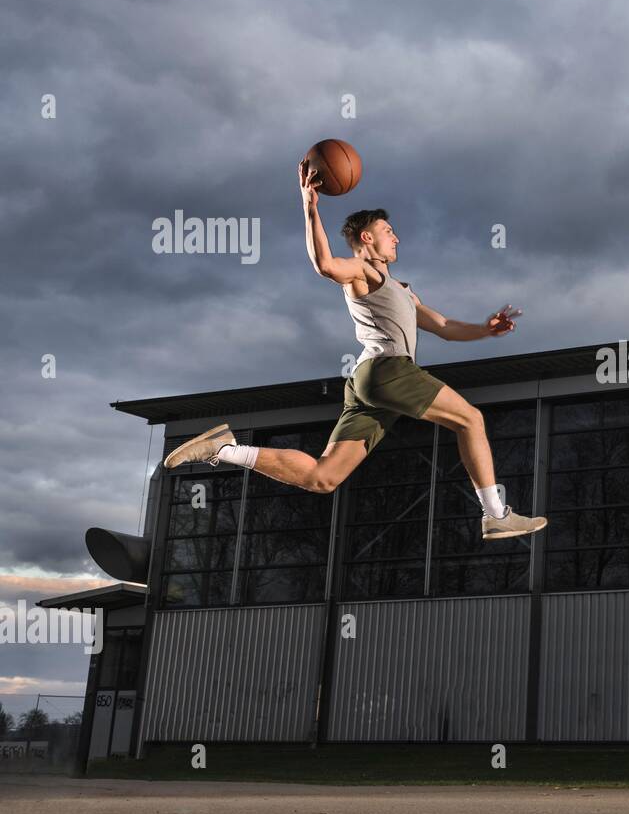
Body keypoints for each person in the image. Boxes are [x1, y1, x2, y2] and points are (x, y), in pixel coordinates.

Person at [162, 160, 547, 542]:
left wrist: (485, 329)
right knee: (471, 420)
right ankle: (496, 515)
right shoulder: (363, 272)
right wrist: (309, 206)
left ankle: (225, 450)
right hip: (388, 370)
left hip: (368, 383)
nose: (396, 238)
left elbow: (444, 327)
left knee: (322, 478)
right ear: (367, 239)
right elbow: (326, 265)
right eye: (388, 231)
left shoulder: (403, 290)